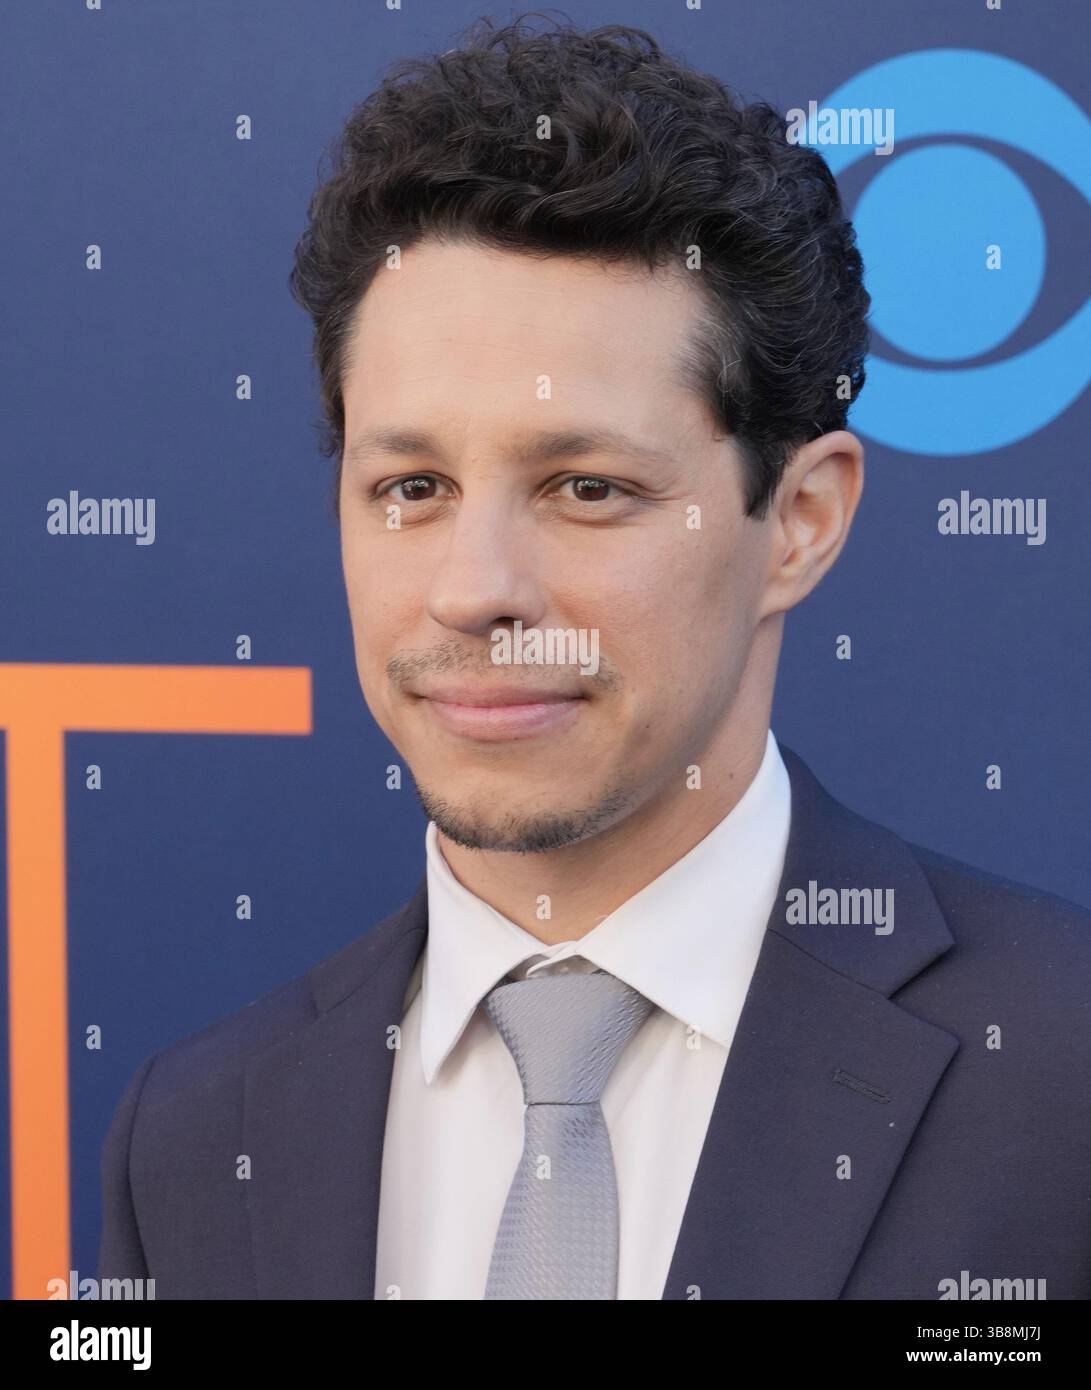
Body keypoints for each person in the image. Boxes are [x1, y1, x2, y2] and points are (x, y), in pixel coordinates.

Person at [98, 16, 1091, 1300]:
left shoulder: (1059, 1072)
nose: (473, 590)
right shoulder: (192, 1136)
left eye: (584, 487)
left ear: (798, 522)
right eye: (411, 485)